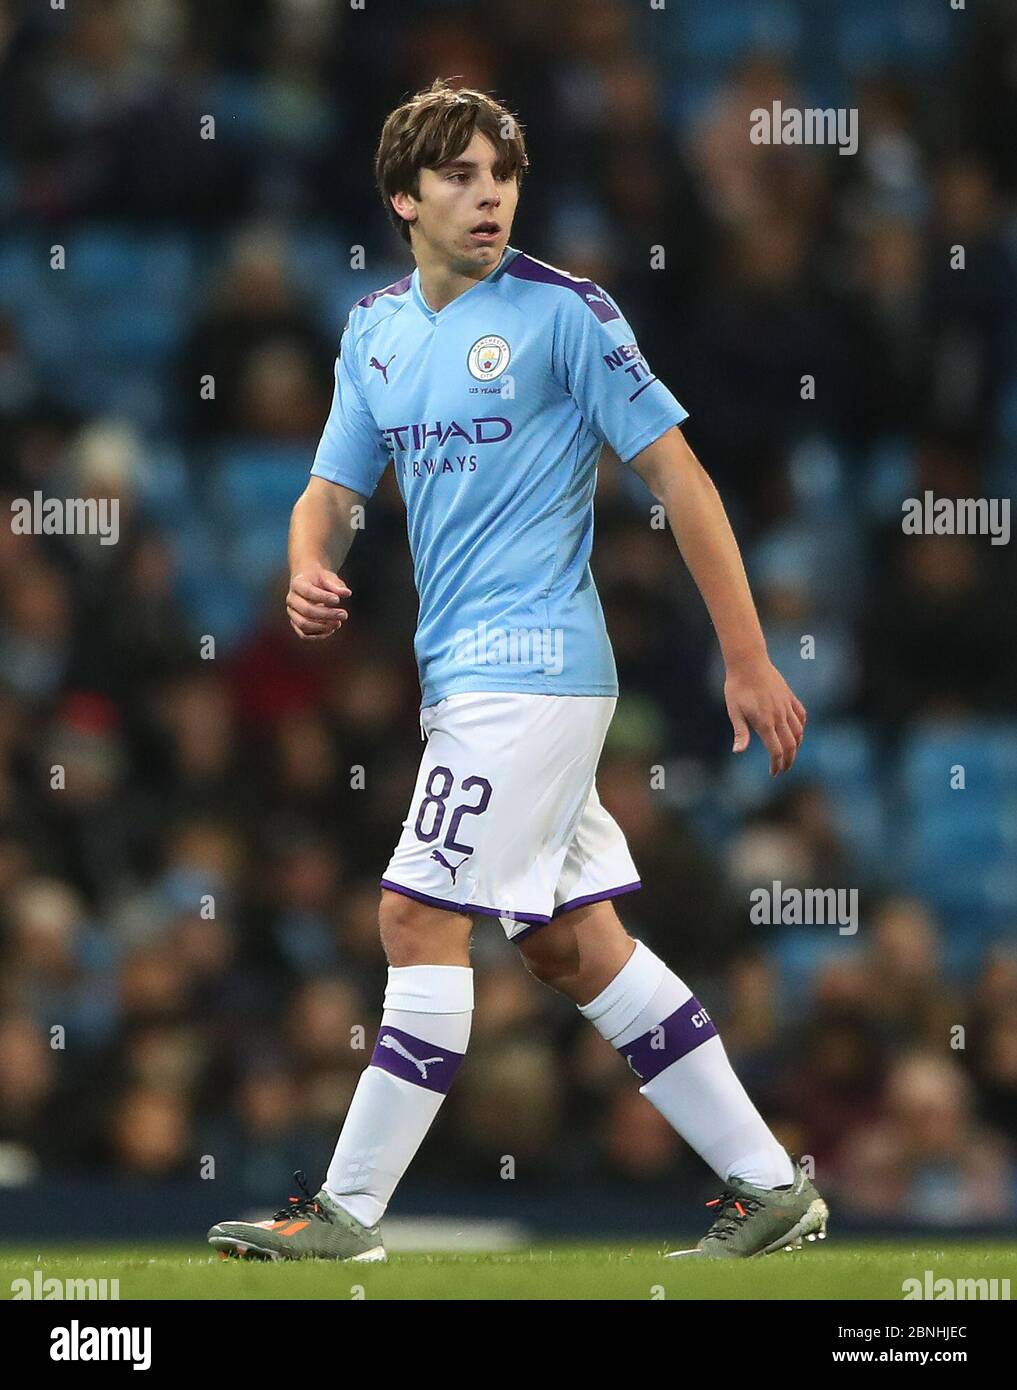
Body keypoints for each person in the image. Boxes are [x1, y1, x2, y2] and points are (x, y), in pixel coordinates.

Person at [208, 79, 826, 1262]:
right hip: (466, 679)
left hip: (536, 670)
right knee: (566, 942)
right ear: (405, 195)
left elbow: (682, 479)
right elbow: (330, 492)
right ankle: (767, 1185)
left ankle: (346, 1213)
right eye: (460, 177)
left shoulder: (568, 316)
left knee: (413, 912)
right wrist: (302, 562)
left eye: (503, 177)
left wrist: (747, 659)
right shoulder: (375, 330)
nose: (488, 197)